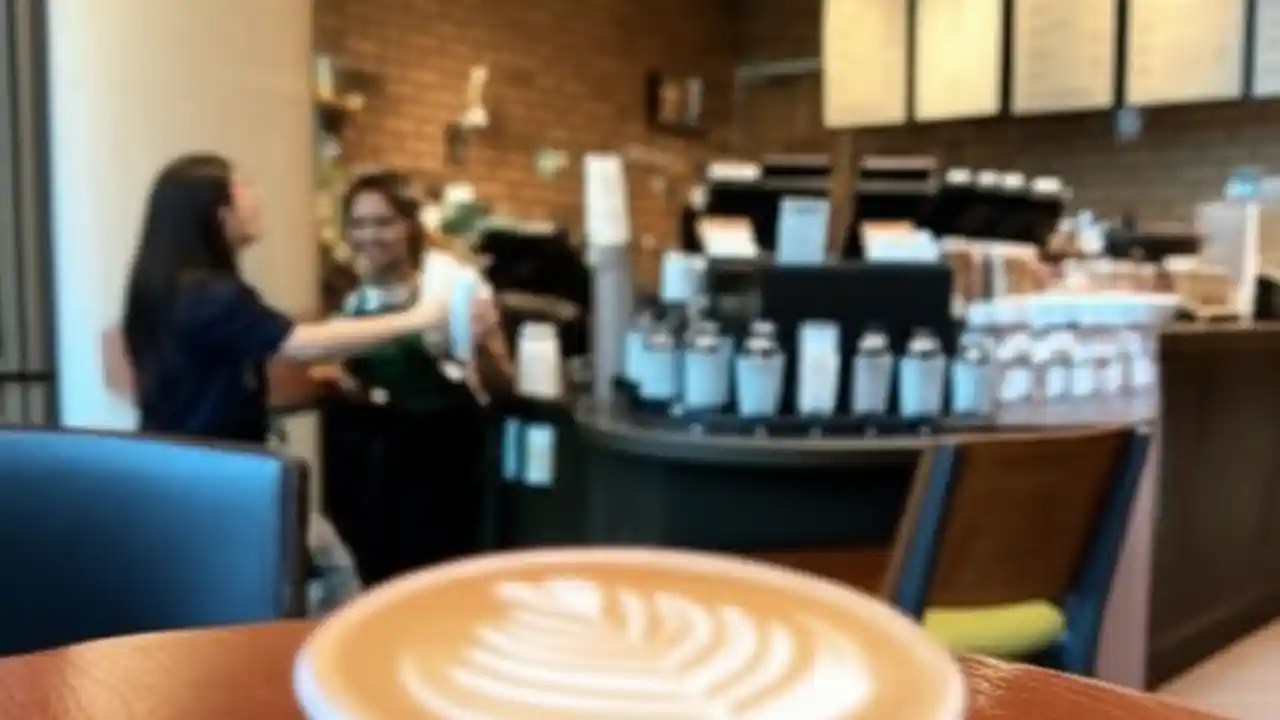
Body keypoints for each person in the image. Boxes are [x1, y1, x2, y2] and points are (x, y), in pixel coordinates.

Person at [120, 154, 464, 611]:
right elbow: (299, 342)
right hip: (223, 477)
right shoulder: (211, 296)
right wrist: (417, 318)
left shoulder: (163, 287)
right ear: (218, 213)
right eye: (245, 191)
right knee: (326, 579)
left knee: (320, 570)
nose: (257, 201)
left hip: (185, 471)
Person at [319, 171, 513, 583]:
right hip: (377, 471)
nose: (370, 235)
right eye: (359, 223)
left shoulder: (454, 287)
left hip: (444, 463)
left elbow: (502, 384)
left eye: (384, 222)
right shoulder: (356, 298)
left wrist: (479, 343)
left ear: (410, 226)